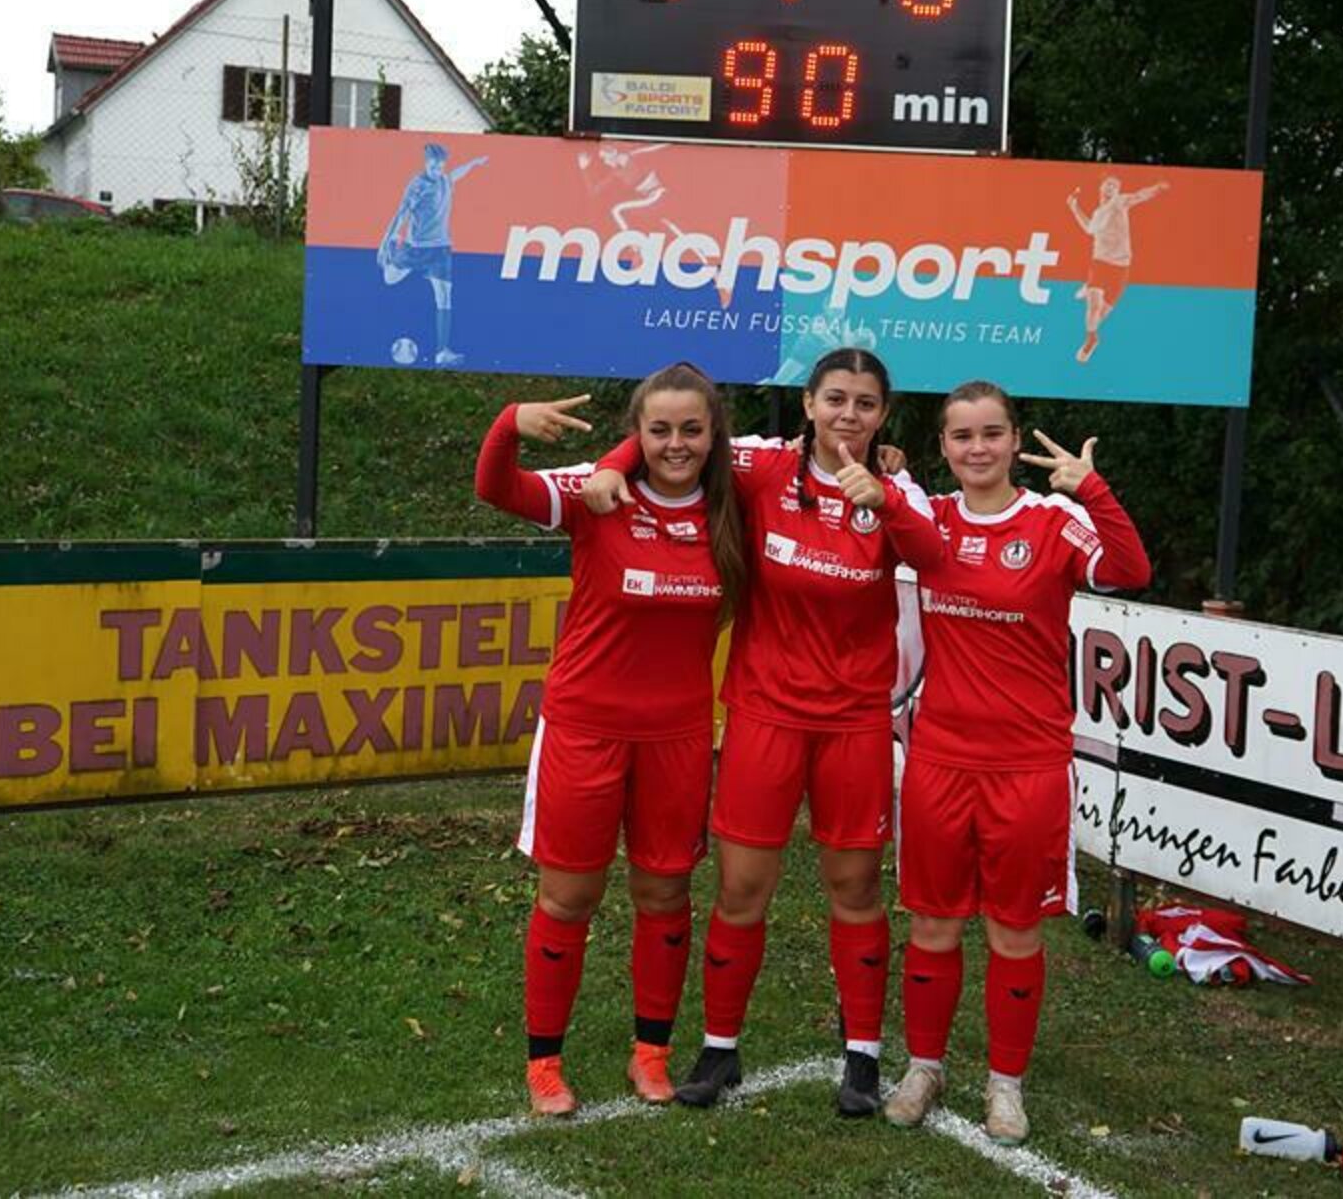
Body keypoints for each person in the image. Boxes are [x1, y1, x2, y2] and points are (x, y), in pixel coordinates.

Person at [582, 348, 945, 1117]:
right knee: (743, 887)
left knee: (853, 886)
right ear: (808, 404)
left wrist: (888, 502)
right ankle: (719, 1047)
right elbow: (685, 437)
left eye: (867, 403)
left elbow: (937, 558)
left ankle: (864, 1055)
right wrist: (615, 462)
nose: (850, 414)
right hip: (764, 714)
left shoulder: (894, 487)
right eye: (836, 399)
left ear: (884, 416)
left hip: (852, 721)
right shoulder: (761, 469)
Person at [881, 380, 1151, 1144]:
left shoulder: (1054, 520)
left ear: (1014, 438)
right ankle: (924, 1066)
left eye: (992, 433)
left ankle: (1006, 1086)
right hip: (937, 759)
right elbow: (859, 506)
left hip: (1028, 765)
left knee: (1014, 931)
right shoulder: (927, 519)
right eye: (962, 436)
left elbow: (1130, 572)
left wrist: (1091, 489)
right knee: (932, 923)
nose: (978, 448)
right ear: (944, 447)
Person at [472, 364, 746, 1116]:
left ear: (714, 432)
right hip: (584, 729)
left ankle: (650, 1054)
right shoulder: (599, 495)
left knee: (664, 891)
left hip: (679, 736)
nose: (676, 443)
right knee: (569, 895)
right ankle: (545, 1065)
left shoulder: (734, 506)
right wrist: (508, 424)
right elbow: (499, 489)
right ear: (638, 433)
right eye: (658, 429)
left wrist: (882, 461)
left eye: (692, 428)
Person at [379, 143, 488, 365]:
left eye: (440, 165)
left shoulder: (445, 180)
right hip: (415, 248)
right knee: (389, 279)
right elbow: (401, 214)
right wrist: (385, 240)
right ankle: (393, 249)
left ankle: (442, 352)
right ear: (426, 162)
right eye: (433, 164)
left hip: (440, 249)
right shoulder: (417, 186)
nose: (437, 169)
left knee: (444, 297)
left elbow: (456, 174)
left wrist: (474, 164)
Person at [1065, 176, 1167, 364]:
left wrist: (1156, 188)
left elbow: (1139, 196)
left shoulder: (1119, 202)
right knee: (1093, 307)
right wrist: (1074, 207)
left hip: (1121, 268)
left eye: (1115, 185)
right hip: (1100, 263)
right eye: (1108, 184)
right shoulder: (1097, 213)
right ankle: (1091, 339)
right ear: (1101, 187)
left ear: (1118, 192)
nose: (1111, 187)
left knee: (1101, 315)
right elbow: (1089, 229)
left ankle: (1088, 290)